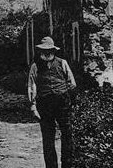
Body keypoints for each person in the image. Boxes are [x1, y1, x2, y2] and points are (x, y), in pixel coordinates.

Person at [27, 36, 77, 168]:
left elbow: (72, 83)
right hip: (45, 104)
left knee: (67, 134)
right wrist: (33, 106)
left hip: (62, 103)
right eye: (44, 50)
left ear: (54, 50)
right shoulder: (35, 66)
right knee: (48, 138)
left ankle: (68, 165)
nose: (47, 53)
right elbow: (32, 87)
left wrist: (64, 93)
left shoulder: (62, 63)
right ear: (40, 52)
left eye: (50, 50)